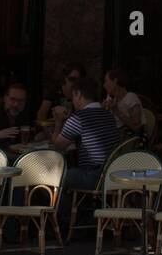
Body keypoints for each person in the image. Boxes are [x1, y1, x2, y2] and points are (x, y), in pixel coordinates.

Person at [52, 77, 121, 226]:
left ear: (78, 95)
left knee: (54, 177)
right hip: (113, 175)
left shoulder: (79, 117)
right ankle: (83, 218)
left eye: (73, 97)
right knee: (71, 174)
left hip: (94, 177)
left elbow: (58, 147)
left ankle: (65, 224)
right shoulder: (108, 115)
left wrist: (58, 121)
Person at [103, 68, 143, 134]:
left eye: (106, 81)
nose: (104, 85)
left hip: (128, 140)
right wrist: (102, 110)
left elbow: (137, 128)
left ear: (115, 81)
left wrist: (116, 110)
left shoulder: (131, 98)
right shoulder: (112, 99)